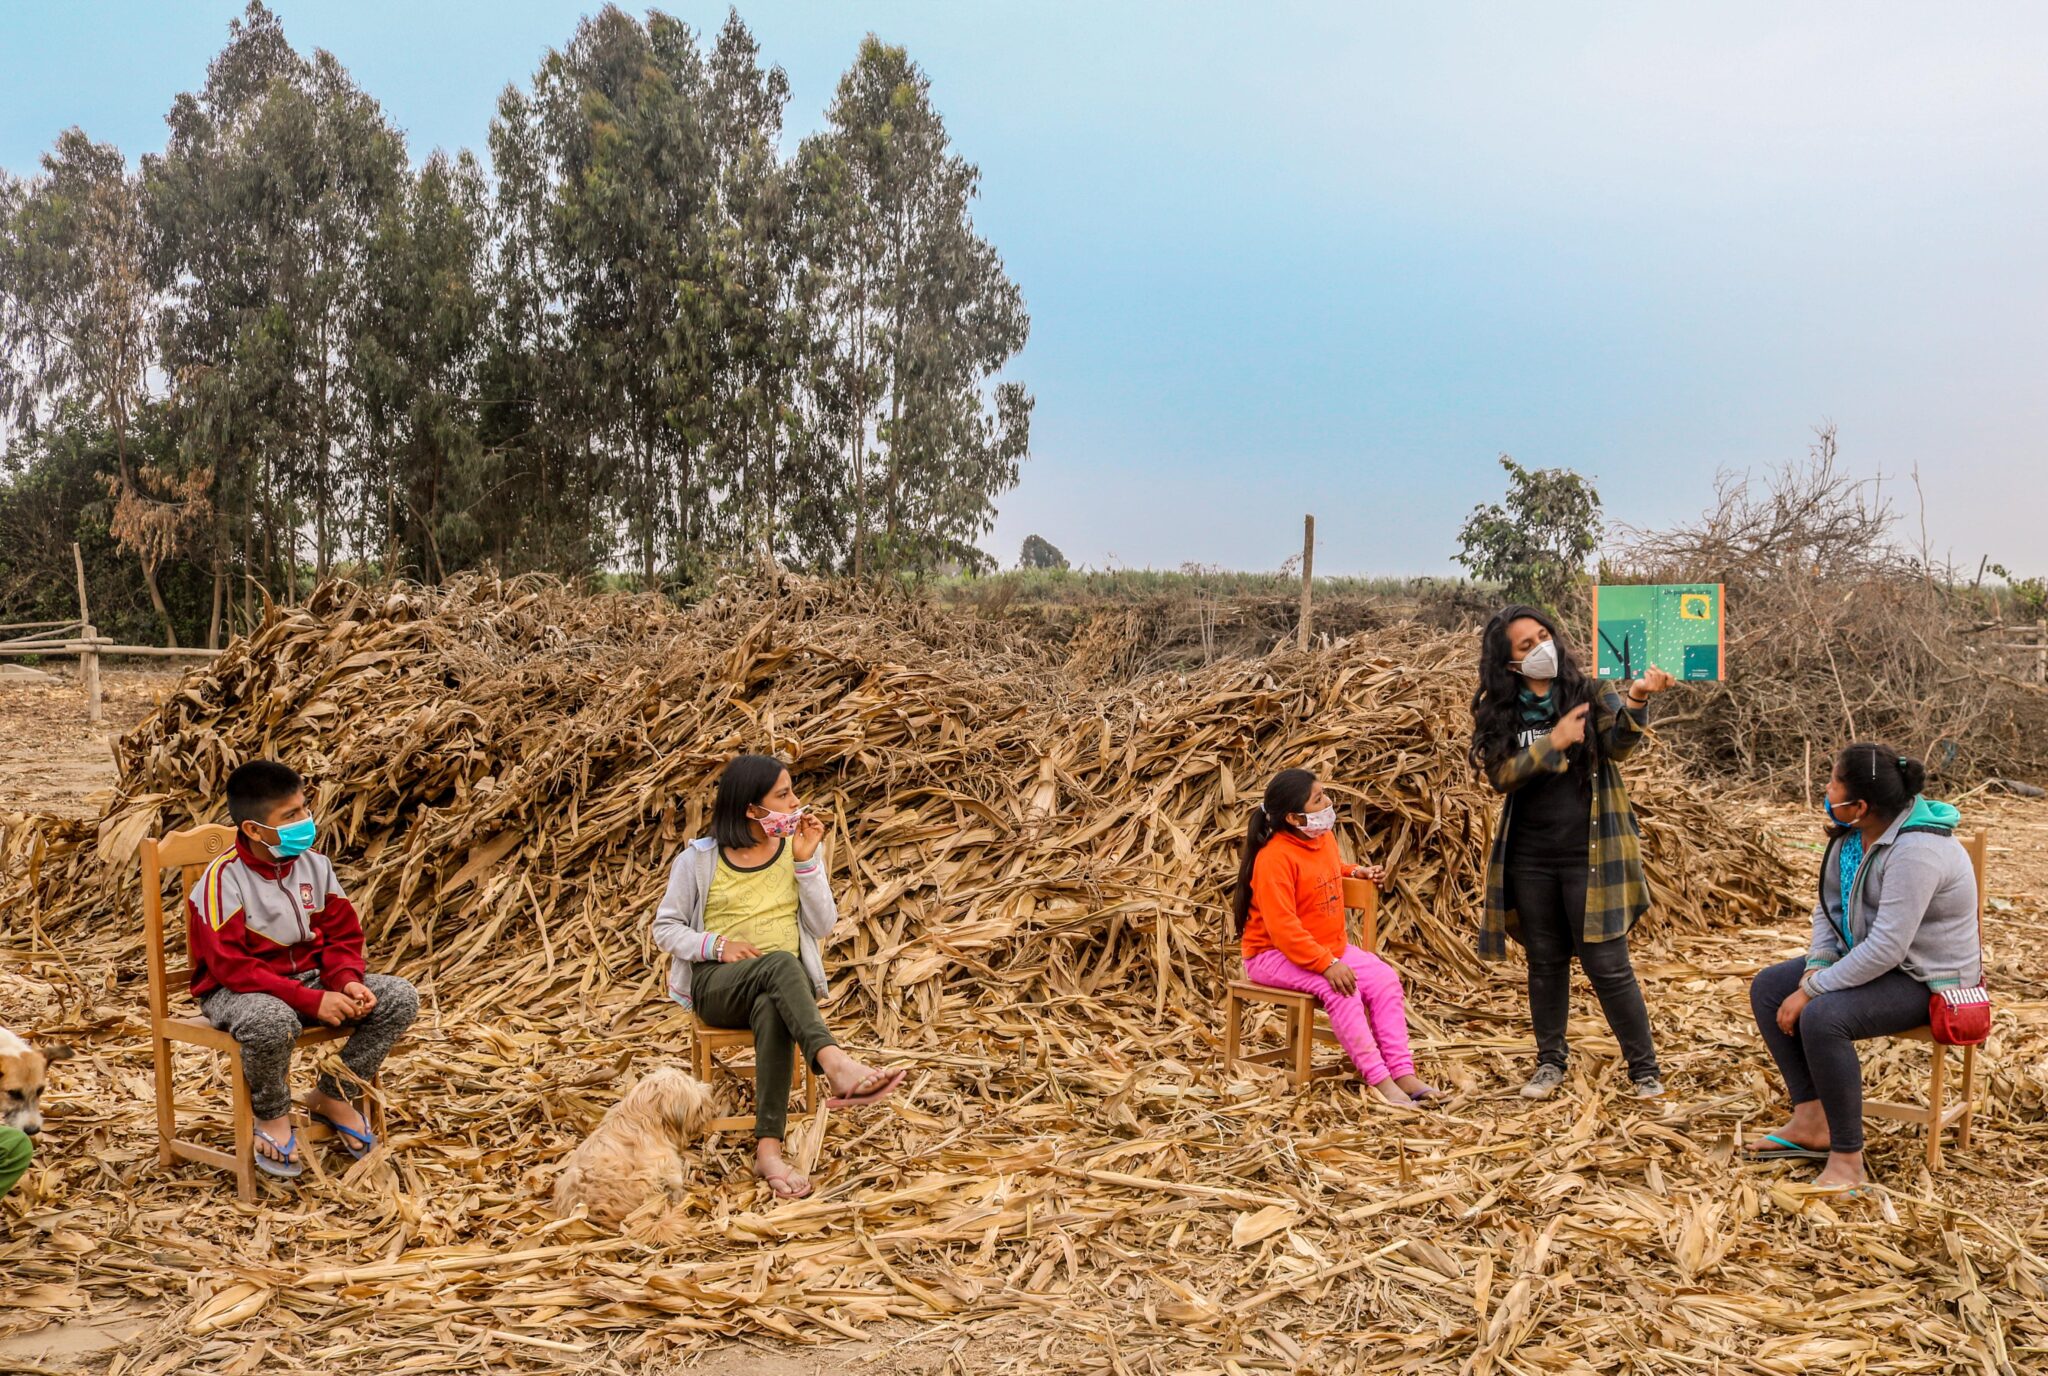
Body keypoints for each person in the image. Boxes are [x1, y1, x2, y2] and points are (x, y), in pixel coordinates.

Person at [653, 754, 906, 1199]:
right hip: (719, 985)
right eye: (783, 795)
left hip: (778, 988)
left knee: (776, 996)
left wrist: (808, 864)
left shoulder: (797, 852)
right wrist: (717, 946)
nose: (795, 803)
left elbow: (824, 924)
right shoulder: (698, 860)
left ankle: (768, 1150)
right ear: (752, 809)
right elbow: (666, 928)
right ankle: (835, 1064)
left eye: (792, 792)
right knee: (782, 964)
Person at [1747, 744, 1979, 1190]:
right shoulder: (1851, 837)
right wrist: (1815, 969)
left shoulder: (1917, 851)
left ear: (1860, 805)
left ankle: (1847, 1159)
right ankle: (1812, 1121)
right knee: (1769, 988)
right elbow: (1827, 910)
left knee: (1824, 1016)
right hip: (1873, 959)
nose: (1826, 790)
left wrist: (1813, 992)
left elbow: (1889, 949)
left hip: (1929, 979)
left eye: (1833, 784)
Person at [1470, 605, 1674, 1100]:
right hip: (1530, 856)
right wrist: (1553, 743)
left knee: (1607, 963)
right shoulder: (1500, 710)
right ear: (1509, 663)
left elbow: (1620, 746)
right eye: (1526, 645)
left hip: (1592, 852)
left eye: (1544, 635)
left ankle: (1644, 1070)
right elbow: (1501, 777)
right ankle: (1549, 1062)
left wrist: (1638, 699)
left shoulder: (1587, 691)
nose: (1542, 647)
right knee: (1544, 961)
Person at [190, 761, 420, 1179]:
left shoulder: (316, 866)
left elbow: (343, 937)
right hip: (235, 990)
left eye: (304, 809)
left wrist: (346, 981)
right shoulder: (222, 880)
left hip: (308, 982)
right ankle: (272, 1115)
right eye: (290, 816)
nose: (305, 821)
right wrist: (311, 999)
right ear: (254, 830)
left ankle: (334, 1094)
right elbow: (232, 967)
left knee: (399, 996)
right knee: (271, 1022)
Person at [1233, 767, 1438, 1106]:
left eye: (1324, 794)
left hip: (1324, 949)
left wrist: (1354, 871)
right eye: (1319, 799)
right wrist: (1327, 964)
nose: (1328, 802)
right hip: (1271, 955)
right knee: (1340, 988)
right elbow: (1283, 929)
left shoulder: (1321, 839)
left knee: (1384, 978)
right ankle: (1381, 1081)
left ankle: (1403, 1072)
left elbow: (1326, 870)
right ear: (1294, 818)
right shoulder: (1273, 859)